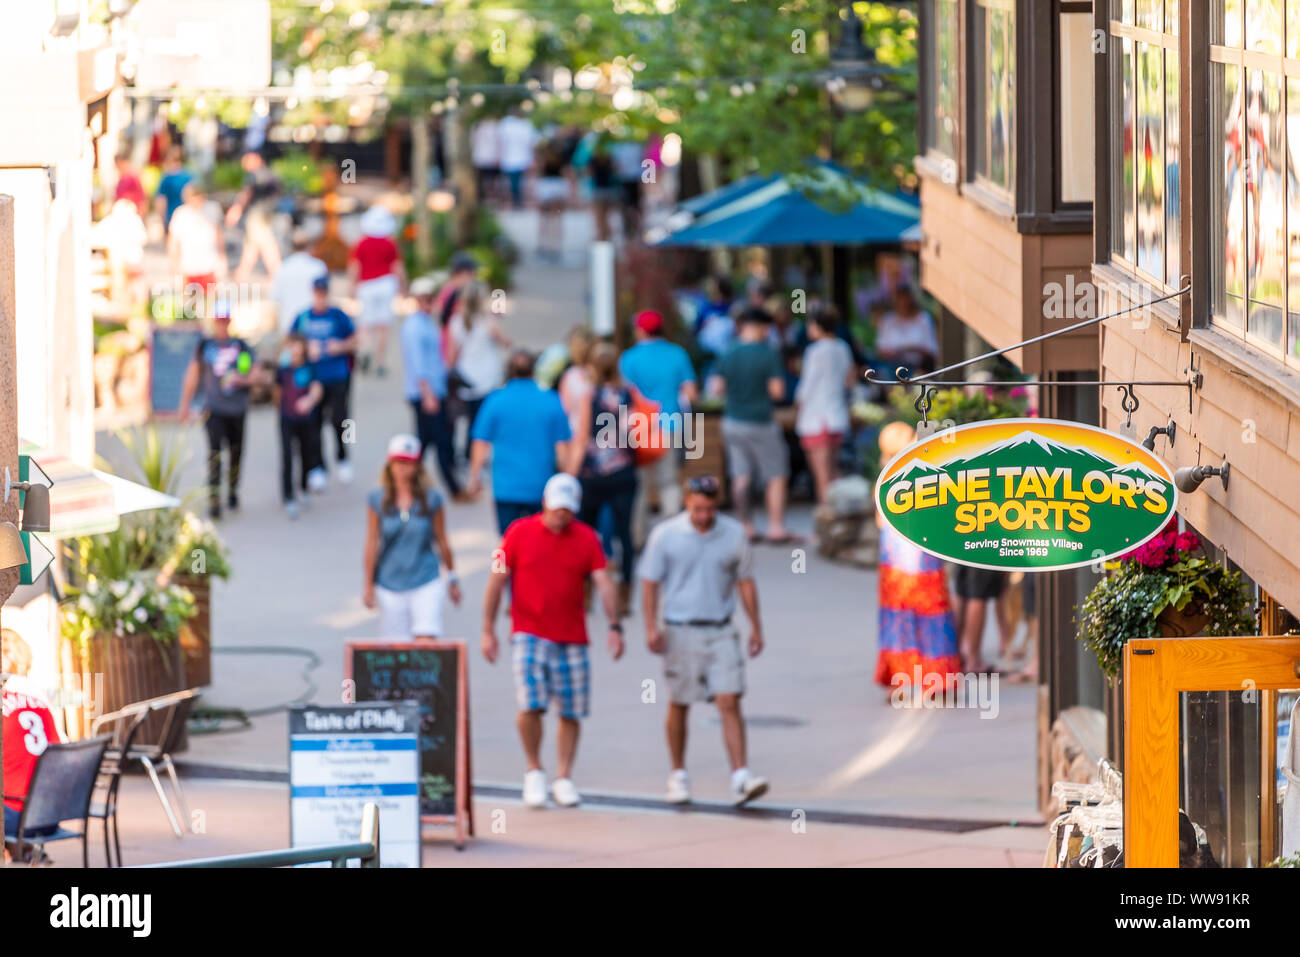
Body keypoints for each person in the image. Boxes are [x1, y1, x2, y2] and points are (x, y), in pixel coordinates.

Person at [480, 473, 624, 808]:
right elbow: (496, 578)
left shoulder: (587, 537)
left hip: (572, 634)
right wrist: (488, 629)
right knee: (530, 702)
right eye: (558, 508)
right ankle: (534, 770)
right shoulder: (517, 532)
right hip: (528, 630)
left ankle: (564, 776)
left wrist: (615, 624)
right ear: (545, 503)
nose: (563, 515)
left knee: (571, 710)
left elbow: (603, 580)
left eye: (569, 510)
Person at [640, 476, 770, 807]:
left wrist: (756, 626)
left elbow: (745, 582)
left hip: (721, 628)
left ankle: (740, 776)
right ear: (687, 503)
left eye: (709, 509)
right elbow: (650, 582)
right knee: (679, 702)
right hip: (680, 628)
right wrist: (650, 627)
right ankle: (678, 774)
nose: (703, 515)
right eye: (698, 509)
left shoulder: (733, 533)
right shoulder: (665, 535)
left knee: (729, 699)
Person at [873, 422, 962, 695]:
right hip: (923, 562)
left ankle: (898, 681)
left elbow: (880, 522)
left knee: (898, 619)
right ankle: (937, 679)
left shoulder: (885, 482)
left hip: (895, 566)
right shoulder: (926, 477)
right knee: (934, 616)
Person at [362, 434, 462, 639]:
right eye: (398, 462)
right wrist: (368, 585)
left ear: (417, 466)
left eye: (407, 462)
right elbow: (372, 543)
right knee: (397, 652)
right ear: (389, 464)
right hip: (390, 582)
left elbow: (442, 540)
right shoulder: (377, 500)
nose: (402, 468)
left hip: (425, 578)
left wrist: (452, 577)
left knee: (425, 643)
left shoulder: (431, 499)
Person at [709, 307, 794, 543]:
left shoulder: (728, 352)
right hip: (761, 421)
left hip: (732, 420)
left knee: (741, 475)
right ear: (761, 327)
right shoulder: (768, 353)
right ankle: (776, 527)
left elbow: (717, 388)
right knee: (775, 474)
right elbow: (778, 391)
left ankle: (745, 526)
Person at [468, 350, 572, 535]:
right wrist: (567, 478)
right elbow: (563, 448)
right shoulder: (551, 400)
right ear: (534, 370)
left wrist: (475, 477)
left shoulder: (495, 400)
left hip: (506, 487)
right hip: (542, 487)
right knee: (542, 543)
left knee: (508, 543)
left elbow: (480, 442)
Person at [571, 342, 639, 616]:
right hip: (623, 472)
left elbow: (581, 438)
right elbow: (634, 433)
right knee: (625, 535)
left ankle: (586, 594)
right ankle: (625, 597)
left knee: (586, 535)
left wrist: (571, 475)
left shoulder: (591, 396)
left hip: (593, 475)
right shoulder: (628, 395)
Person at [619, 309, 698, 545]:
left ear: (641, 330)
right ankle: (671, 537)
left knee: (640, 487)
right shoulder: (677, 354)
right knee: (669, 482)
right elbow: (691, 393)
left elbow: (624, 396)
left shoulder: (628, 358)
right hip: (670, 423)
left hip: (640, 427)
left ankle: (638, 538)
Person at [178, 303, 255, 519]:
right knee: (214, 455)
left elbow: (256, 374)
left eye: (225, 320)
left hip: (237, 409)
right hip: (214, 409)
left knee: (236, 454)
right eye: (219, 320)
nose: (222, 325)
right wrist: (184, 406)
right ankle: (214, 500)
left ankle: (232, 489)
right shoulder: (205, 346)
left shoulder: (241, 346)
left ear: (230, 321)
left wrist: (242, 379)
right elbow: (192, 375)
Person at [291, 275, 358, 486]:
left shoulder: (338, 315)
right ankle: (317, 466)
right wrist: (305, 350)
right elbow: (290, 345)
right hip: (313, 379)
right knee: (314, 423)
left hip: (338, 375)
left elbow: (356, 340)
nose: (320, 296)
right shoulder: (302, 317)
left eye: (323, 292)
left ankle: (344, 456)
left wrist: (340, 346)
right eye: (317, 292)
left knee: (343, 420)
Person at [401, 276, 463, 499]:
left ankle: (408, 484)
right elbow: (418, 364)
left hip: (435, 390)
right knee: (441, 441)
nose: (428, 303)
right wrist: (428, 394)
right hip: (426, 393)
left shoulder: (427, 322)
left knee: (424, 442)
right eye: (424, 299)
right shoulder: (414, 327)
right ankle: (454, 488)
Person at [3, 632, 61, 863]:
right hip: (52, 814)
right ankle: (24, 852)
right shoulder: (41, 701)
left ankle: (20, 852)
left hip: (16, 816)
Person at [795, 308, 856, 504]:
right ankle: (837, 516)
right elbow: (849, 380)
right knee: (832, 471)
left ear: (816, 325)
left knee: (821, 476)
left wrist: (797, 405)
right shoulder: (842, 347)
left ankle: (827, 518)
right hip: (836, 415)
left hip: (815, 417)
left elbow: (807, 385)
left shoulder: (814, 351)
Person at [447, 280, 511, 466]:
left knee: (470, 421)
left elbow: (451, 356)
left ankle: (468, 454)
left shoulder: (456, 322)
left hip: (467, 377)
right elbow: (505, 342)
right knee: (484, 422)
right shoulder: (487, 321)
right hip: (487, 378)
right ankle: (478, 456)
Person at [272, 332, 324, 519]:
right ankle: (288, 496)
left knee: (305, 454)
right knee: (287, 456)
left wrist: (308, 401)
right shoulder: (283, 369)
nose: (295, 349)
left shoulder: (310, 368)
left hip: (306, 420)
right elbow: (277, 392)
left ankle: (303, 488)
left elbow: (317, 388)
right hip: (287, 419)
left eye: (298, 345)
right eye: (292, 345)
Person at [349, 206, 406, 377]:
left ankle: (365, 350)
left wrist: (352, 287)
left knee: (365, 324)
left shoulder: (362, 243)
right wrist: (404, 287)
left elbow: (354, 267)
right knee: (383, 326)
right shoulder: (390, 243)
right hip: (386, 285)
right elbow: (398, 267)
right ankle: (380, 361)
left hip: (366, 286)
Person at [226, 152, 282, 283]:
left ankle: (277, 273)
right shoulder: (270, 174)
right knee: (253, 245)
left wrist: (236, 210)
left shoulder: (254, 176)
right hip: (266, 214)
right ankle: (242, 273)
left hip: (257, 215)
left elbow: (246, 194)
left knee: (265, 244)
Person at [168, 181, 226, 300]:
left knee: (211, 300)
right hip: (188, 264)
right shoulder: (181, 213)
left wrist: (222, 257)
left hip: (209, 263)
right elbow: (174, 240)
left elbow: (218, 234)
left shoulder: (212, 208)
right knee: (189, 302)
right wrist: (174, 263)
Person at [271, 229, 328, 337]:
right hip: (312, 324)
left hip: (288, 322)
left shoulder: (283, 268)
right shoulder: (318, 267)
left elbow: (275, 298)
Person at [875, 285, 939, 376]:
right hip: (892, 368)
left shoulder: (923, 319)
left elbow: (932, 350)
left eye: (906, 300)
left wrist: (913, 349)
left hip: (919, 367)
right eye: (900, 300)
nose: (903, 304)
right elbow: (880, 350)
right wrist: (895, 353)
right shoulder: (888, 320)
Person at [534, 138, 571, 261]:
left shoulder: (543, 156)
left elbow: (538, 170)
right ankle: (556, 246)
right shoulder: (561, 156)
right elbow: (567, 171)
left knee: (544, 218)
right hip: (558, 185)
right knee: (557, 218)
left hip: (546, 185)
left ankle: (543, 245)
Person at [498, 107, 538, 210]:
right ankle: (518, 201)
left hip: (512, 158)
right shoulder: (525, 125)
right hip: (521, 158)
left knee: (514, 182)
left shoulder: (506, 125)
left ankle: (517, 201)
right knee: (519, 182)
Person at [154, 146, 194, 232]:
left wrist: (162, 220)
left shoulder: (166, 178)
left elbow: (161, 201)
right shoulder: (189, 176)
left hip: (171, 218)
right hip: (188, 218)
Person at [471, 116, 501, 204]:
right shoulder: (494, 127)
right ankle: (489, 197)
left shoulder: (477, 127)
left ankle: (488, 197)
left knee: (486, 179)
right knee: (490, 179)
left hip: (483, 158)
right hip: (488, 158)